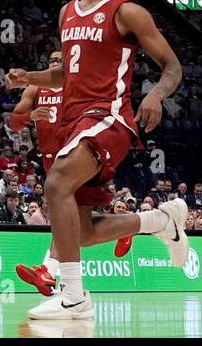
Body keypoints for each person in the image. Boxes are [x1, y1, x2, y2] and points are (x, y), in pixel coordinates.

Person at [7, 0, 187, 320]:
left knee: (57, 184)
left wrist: (156, 94)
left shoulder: (128, 11)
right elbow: (65, 75)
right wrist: (29, 77)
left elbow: (172, 66)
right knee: (82, 231)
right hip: (73, 121)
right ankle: (159, 220)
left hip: (108, 118)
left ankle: (73, 295)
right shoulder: (67, 11)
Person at [9, 51, 133, 296]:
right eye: (52, 60)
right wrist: (29, 116)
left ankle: (48, 270)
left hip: (77, 154)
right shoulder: (35, 89)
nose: (55, 63)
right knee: (71, 217)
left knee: (66, 213)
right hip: (49, 158)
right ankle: (124, 227)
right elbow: (13, 122)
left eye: (60, 60)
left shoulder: (78, 85)